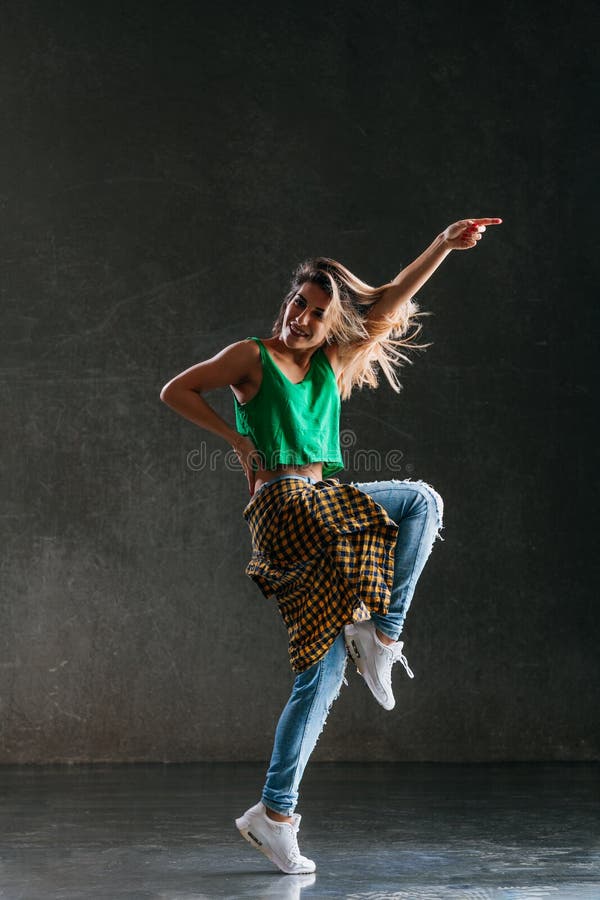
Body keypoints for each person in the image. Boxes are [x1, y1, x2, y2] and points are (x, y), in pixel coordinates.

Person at [160, 216, 502, 875]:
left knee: (321, 671)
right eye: (297, 302)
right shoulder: (250, 357)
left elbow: (394, 296)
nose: (302, 317)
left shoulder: (329, 365)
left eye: (318, 312)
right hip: (285, 508)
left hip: (322, 509)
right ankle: (385, 635)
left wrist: (442, 245)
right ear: (286, 300)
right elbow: (177, 389)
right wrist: (236, 442)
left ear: (331, 322)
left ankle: (275, 814)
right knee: (418, 500)